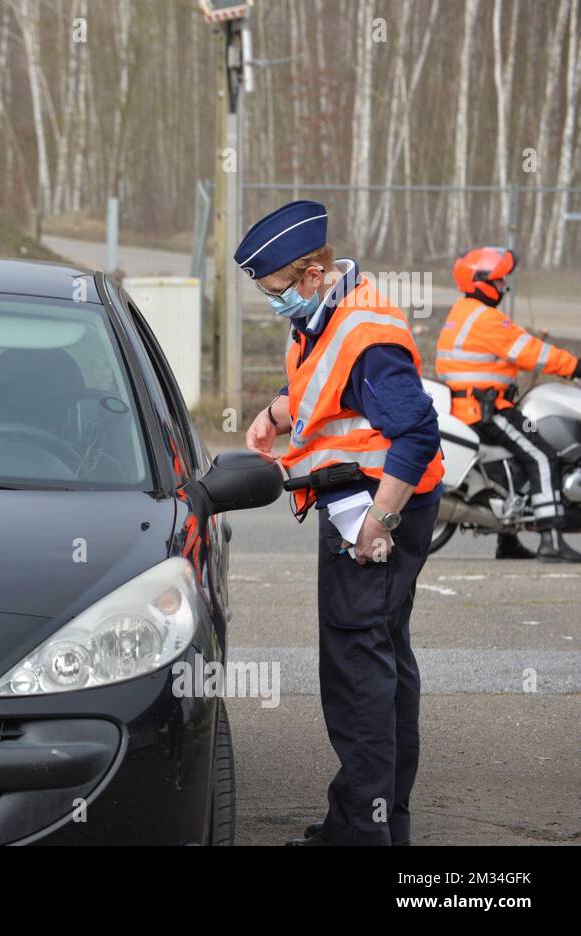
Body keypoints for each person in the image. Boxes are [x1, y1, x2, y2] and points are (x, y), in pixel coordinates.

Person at [238, 200, 444, 846]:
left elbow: (417, 432)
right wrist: (275, 415)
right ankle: (378, 820)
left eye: (273, 292)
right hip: (355, 507)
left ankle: (363, 833)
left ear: (308, 275)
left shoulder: (366, 332)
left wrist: (379, 520)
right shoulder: (327, 314)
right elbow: (322, 389)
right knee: (380, 664)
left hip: (375, 519)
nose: (272, 305)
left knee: (359, 675)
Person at [435, 247, 581, 562]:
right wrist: (574, 367)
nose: (504, 288)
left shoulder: (462, 312)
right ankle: (551, 540)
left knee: (517, 462)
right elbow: (533, 353)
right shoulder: (486, 319)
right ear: (482, 282)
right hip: (485, 410)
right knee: (542, 455)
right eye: (500, 282)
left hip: (470, 406)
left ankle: (508, 542)